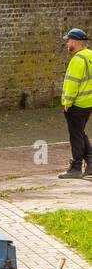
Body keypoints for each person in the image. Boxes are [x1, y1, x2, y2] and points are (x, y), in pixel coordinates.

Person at [59, 28, 92, 179]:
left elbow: (73, 84)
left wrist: (67, 102)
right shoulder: (90, 55)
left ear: (75, 42)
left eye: (68, 40)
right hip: (88, 103)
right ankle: (90, 163)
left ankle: (76, 167)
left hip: (76, 104)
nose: (67, 42)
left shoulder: (78, 59)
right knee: (80, 132)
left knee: (75, 135)